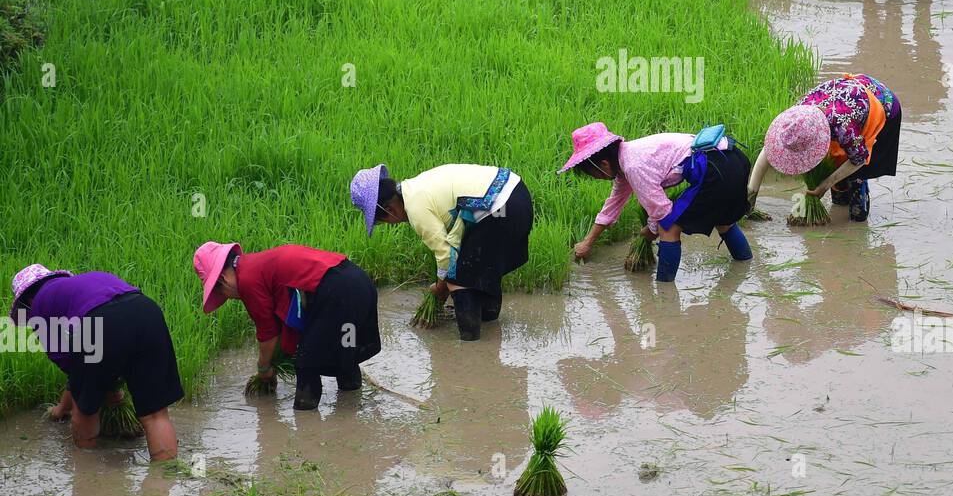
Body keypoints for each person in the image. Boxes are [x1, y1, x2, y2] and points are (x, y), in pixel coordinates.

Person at [10, 264, 182, 460]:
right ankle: (165, 478)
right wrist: (109, 387)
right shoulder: (87, 281)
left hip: (100, 321)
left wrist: (97, 393)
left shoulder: (39, 304)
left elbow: (71, 366)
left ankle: (89, 473)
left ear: (27, 301)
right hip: (147, 312)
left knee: (84, 410)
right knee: (155, 415)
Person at [351, 163, 532, 342]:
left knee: (458, 278)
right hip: (517, 195)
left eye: (380, 222)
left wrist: (440, 289)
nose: (389, 224)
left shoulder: (415, 207)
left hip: (500, 208)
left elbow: (445, 255)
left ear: (389, 210)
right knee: (479, 267)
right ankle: (489, 324)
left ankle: (471, 348)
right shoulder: (417, 185)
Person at [194, 242, 381, 410]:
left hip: (339, 294)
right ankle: (351, 411)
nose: (229, 298)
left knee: (306, 363)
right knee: (345, 350)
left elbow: (268, 333)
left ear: (222, 280)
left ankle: (306, 427)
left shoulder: (248, 281)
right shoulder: (257, 264)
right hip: (359, 284)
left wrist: (264, 369)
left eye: (221, 293)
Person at [562, 122, 753, 284]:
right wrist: (587, 242)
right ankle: (746, 266)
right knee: (722, 219)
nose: (597, 178)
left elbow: (661, 211)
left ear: (603, 164)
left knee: (667, 227)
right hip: (732, 159)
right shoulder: (628, 157)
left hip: (714, 170)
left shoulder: (633, 166)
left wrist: (649, 232)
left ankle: (664, 292)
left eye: (593, 174)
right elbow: (613, 205)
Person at [748, 73, 902, 223]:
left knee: (857, 179)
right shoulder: (796, 116)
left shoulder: (843, 128)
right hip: (849, 98)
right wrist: (751, 196)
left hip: (882, 102)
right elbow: (768, 151)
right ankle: (841, 201)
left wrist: (823, 186)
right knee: (837, 186)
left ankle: (859, 215)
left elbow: (859, 159)